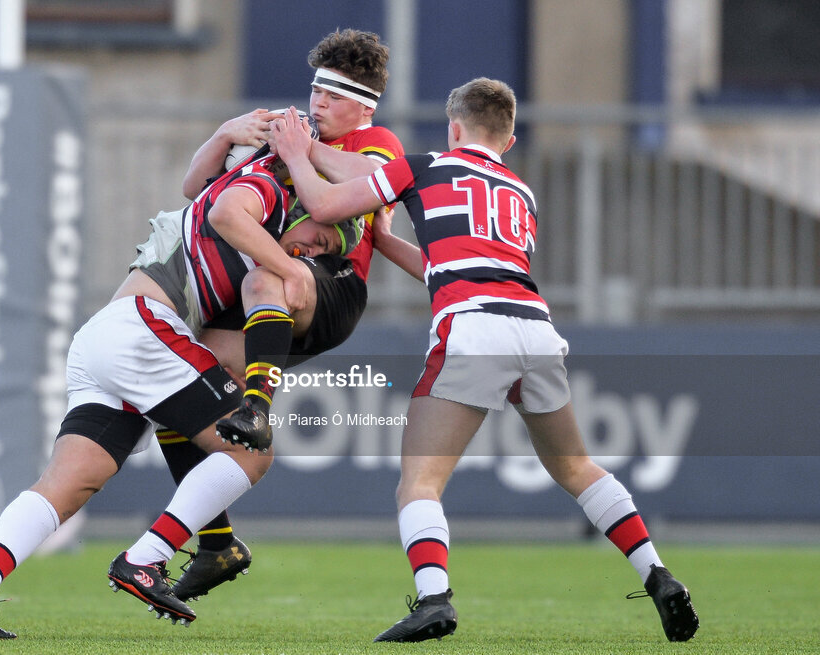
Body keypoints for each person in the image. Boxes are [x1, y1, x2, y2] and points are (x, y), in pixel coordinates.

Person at [270, 78, 700, 643]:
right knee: (576, 468)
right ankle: (658, 575)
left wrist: (300, 153)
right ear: (510, 139)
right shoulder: (521, 194)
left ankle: (433, 600)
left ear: (453, 127)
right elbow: (449, 265)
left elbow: (326, 202)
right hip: (536, 330)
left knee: (419, 483)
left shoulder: (427, 165)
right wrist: (383, 233)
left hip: (473, 328)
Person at [0, 137, 356, 638]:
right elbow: (226, 211)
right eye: (322, 238)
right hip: (142, 328)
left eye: (323, 252)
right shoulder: (268, 187)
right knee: (252, 451)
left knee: (71, 480)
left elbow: (199, 187)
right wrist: (291, 267)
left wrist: (226, 135)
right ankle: (147, 558)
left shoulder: (254, 200)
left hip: (106, 337)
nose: (312, 251)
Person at [152, 28, 412, 603]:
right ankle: (218, 544)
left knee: (268, 275)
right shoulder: (296, 132)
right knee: (174, 382)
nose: (318, 104)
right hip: (271, 294)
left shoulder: (379, 143)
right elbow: (197, 193)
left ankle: (258, 409)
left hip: (332, 289)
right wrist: (225, 136)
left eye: (334, 96)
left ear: (364, 106)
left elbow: (364, 188)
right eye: (316, 90)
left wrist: (297, 149)